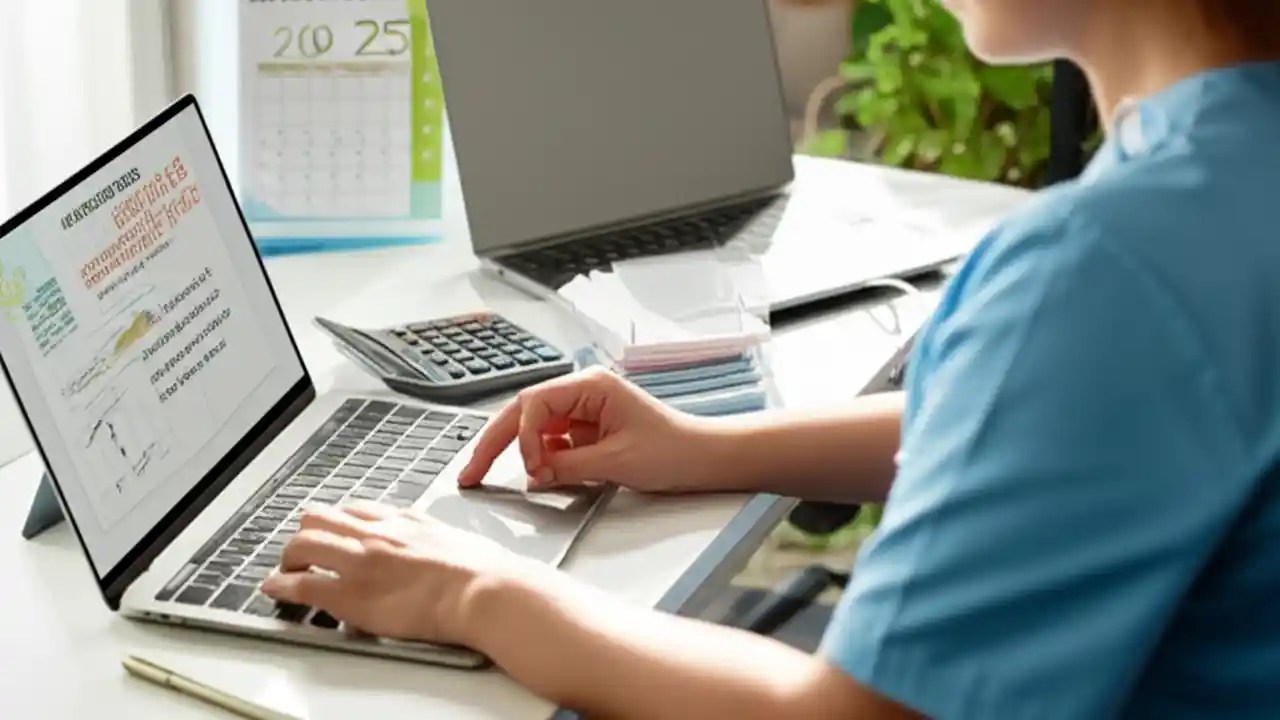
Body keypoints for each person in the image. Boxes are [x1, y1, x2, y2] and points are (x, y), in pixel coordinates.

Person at [263, 1, 1280, 717]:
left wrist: (470, 590)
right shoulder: (1218, 176)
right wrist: (702, 447)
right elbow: (1074, 436)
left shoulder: (1105, 265)